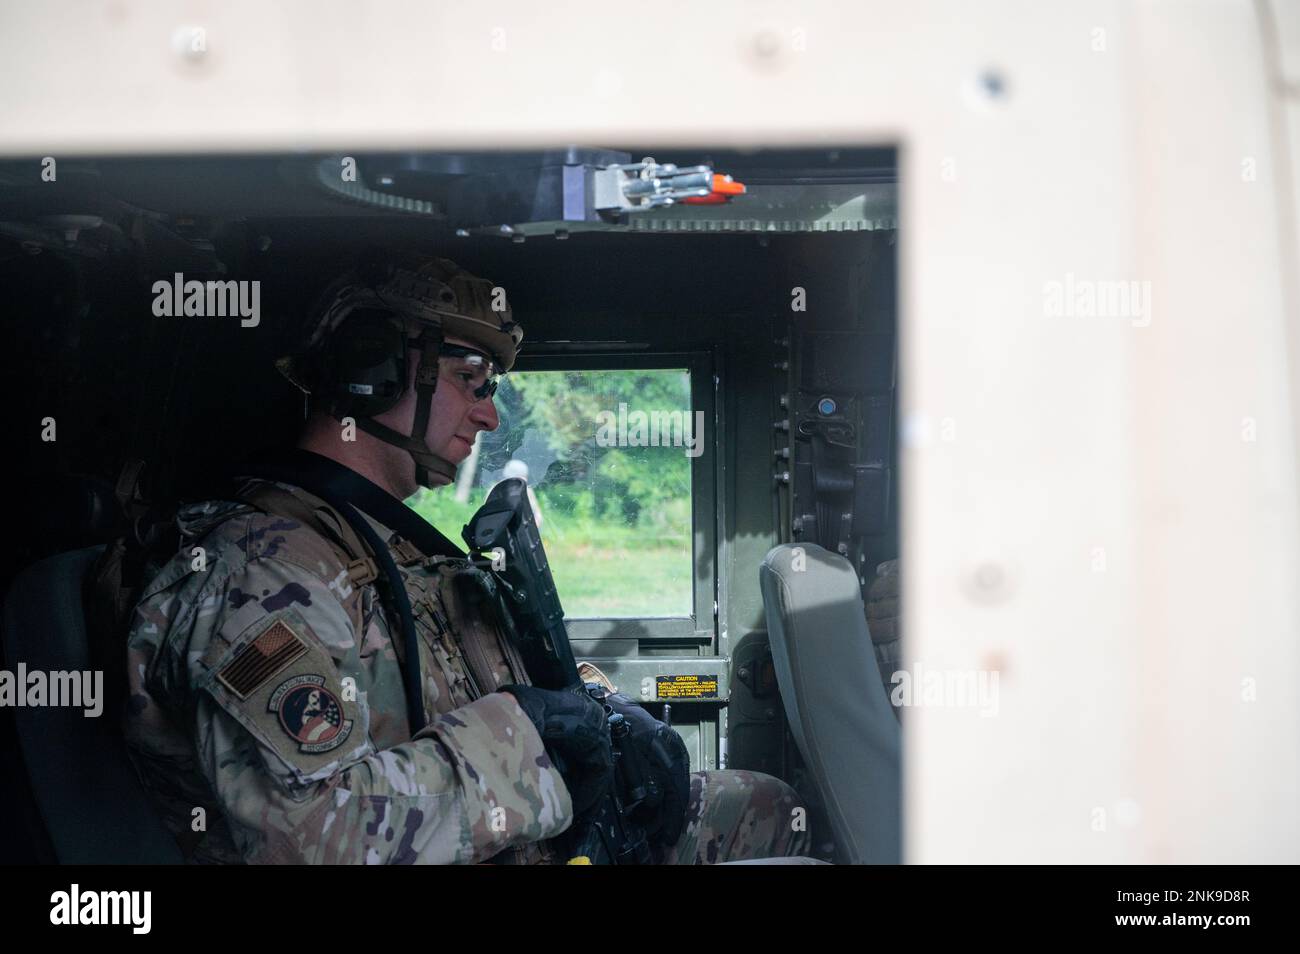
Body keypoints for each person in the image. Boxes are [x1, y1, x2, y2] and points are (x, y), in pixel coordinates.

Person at [123, 253, 814, 865]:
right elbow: (311, 835)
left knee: (770, 809)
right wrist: (529, 730)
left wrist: (602, 713)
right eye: (471, 378)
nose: (488, 415)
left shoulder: (389, 549)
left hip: (519, 837)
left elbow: (472, 682)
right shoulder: (263, 573)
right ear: (375, 371)